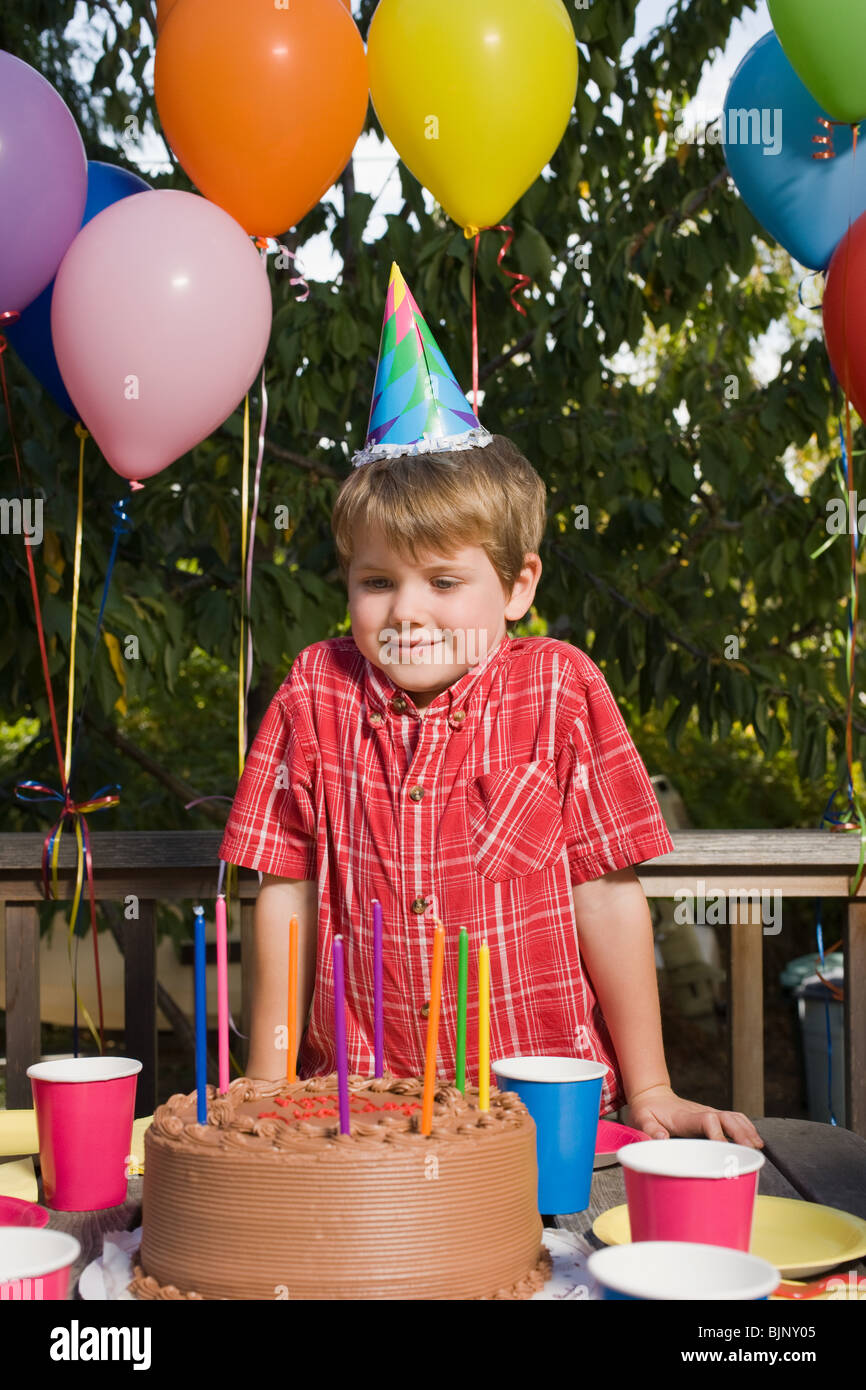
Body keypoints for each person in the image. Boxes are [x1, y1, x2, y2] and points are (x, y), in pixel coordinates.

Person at [219, 264, 763, 1149]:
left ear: (516, 586)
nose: (407, 610)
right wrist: (269, 1080)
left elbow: (607, 892)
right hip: (358, 1106)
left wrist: (650, 1086)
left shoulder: (560, 688)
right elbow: (284, 888)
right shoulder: (314, 690)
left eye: (442, 580)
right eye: (375, 581)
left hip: (536, 1107)